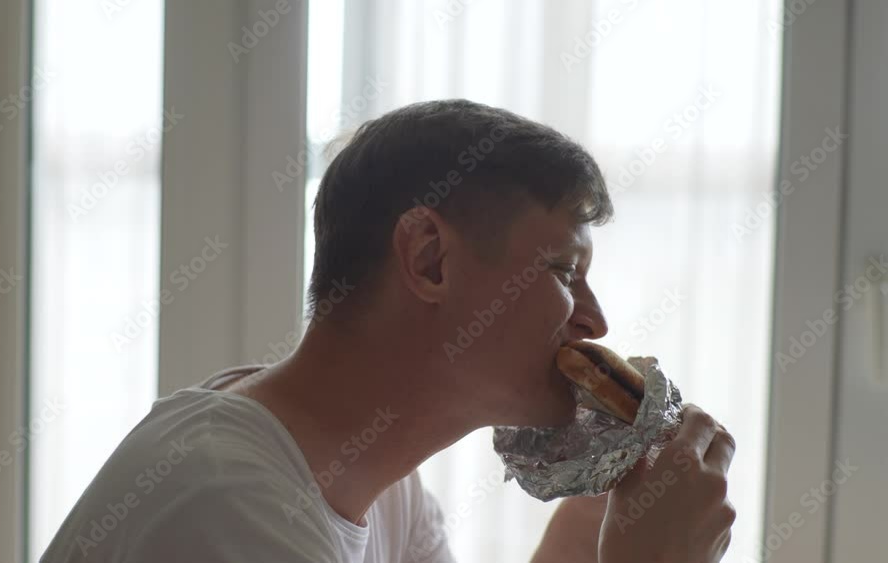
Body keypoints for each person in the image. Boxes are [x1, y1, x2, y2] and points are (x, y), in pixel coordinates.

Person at [41, 99, 737, 563]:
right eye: (563, 269)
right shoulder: (230, 507)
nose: (595, 320)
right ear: (429, 258)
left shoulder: (383, 490)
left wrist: (582, 538)